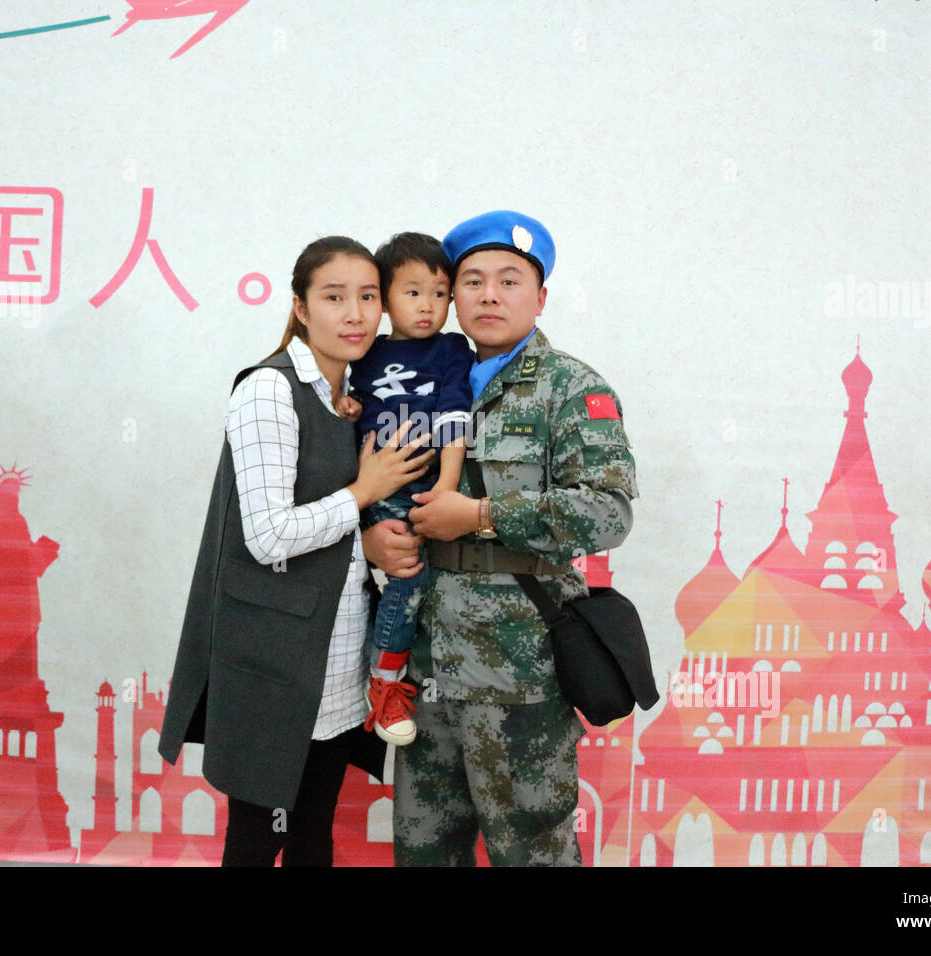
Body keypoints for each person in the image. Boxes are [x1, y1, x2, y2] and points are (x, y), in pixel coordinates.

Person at [157, 236, 434, 867]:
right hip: (275, 661)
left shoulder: (353, 395)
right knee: (258, 843)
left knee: (313, 837)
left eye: (368, 297)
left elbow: (335, 530)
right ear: (301, 308)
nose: (355, 314)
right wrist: (364, 492)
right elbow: (269, 536)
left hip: (336, 661)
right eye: (334, 298)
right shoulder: (269, 390)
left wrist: (369, 542)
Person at [391, 210, 639, 866]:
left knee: (531, 850)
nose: (490, 295)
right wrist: (376, 539)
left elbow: (608, 512)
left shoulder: (572, 389)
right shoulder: (416, 381)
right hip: (426, 660)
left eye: (509, 281)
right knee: (423, 849)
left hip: (521, 668)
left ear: (540, 297)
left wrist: (479, 515)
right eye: (472, 281)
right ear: (453, 296)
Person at [337, 232, 473, 747]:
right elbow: (343, 399)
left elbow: (454, 416)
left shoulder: (451, 349)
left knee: (409, 581)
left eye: (440, 294)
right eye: (413, 292)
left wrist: (446, 486)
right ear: (384, 298)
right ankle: (379, 681)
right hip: (366, 489)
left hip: (423, 488)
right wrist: (345, 403)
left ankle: (383, 677)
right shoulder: (363, 350)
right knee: (394, 580)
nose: (428, 306)